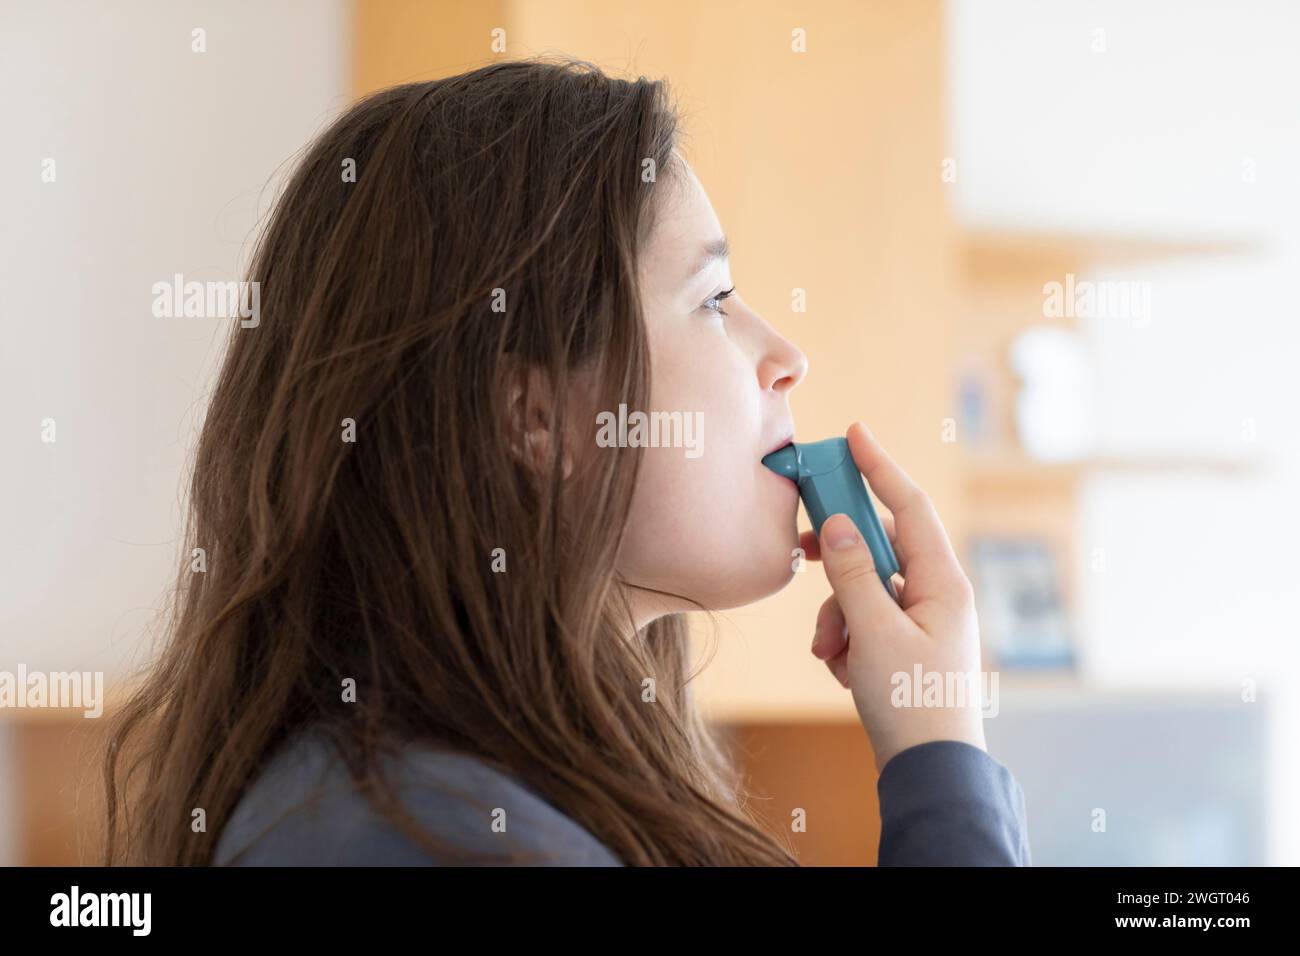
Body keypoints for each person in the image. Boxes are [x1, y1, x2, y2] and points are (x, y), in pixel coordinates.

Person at [102, 56, 1030, 867]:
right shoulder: (427, 838)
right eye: (714, 299)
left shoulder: (465, 805)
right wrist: (941, 761)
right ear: (535, 416)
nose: (787, 355)